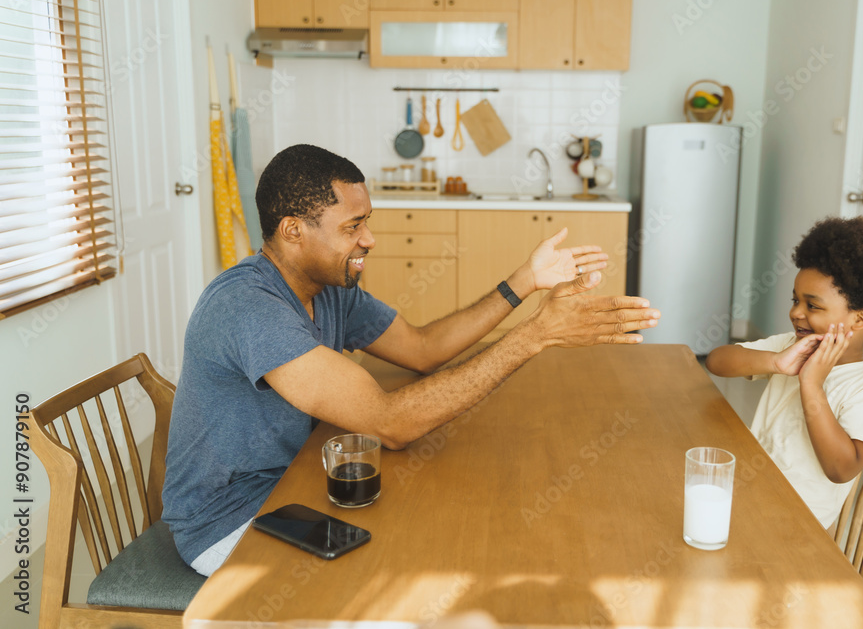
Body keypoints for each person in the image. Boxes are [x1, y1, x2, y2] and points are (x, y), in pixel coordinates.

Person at [162, 144, 660, 576]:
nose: (369, 240)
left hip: (294, 486)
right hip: (231, 521)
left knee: (444, 529)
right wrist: (536, 336)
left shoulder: (327, 286)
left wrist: (524, 282)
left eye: (367, 222)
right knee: (397, 572)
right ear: (293, 230)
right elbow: (391, 423)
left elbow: (423, 350)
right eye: (353, 226)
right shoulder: (249, 307)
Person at [705, 216, 863, 529]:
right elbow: (717, 361)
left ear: (860, 318)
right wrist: (775, 362)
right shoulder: (790, 346)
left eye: (813, 306)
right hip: (747, 496)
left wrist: (812, 384)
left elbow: (841, 469)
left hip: (792, 524)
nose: (796, 313)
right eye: (796, 300)